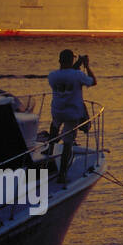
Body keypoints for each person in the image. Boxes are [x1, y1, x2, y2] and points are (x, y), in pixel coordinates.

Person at [48, 49, 96, 183]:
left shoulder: (52, 76)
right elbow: (93, 81)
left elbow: (67, 74)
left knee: (55, 125)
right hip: (72, 113)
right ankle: (62, 174)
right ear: (71, 60)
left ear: (59, 60)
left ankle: (50, 149)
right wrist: (86, 65)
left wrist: (78, 64)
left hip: (57, 110)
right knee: (68, 143)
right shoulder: (78, 75)